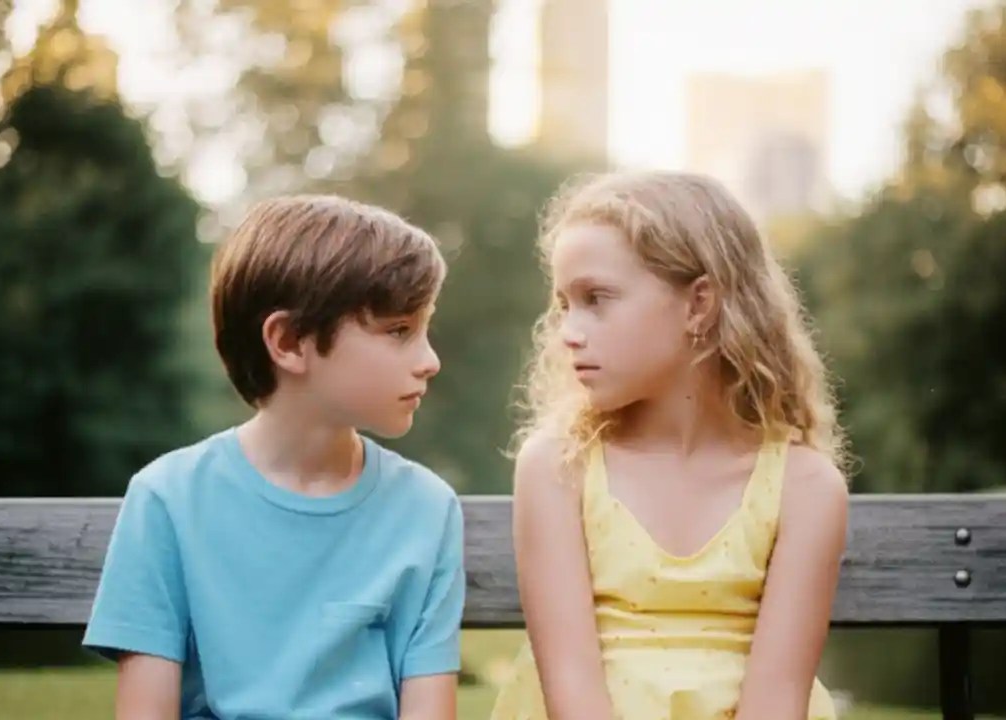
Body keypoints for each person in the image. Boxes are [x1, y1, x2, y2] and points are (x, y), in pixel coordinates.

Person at [83, 194, 465, 720]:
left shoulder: (427, 509)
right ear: (288, 341)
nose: (430, 360)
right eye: (399, 331)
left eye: (424, 329)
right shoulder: (167, 499)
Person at [490, 172, 849, 720]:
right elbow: (571, 691)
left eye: (596, 299)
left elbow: (776, 702)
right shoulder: (557, 467)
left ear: (698, 304)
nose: (568, 331)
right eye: (564, 304)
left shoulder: (804, 487)